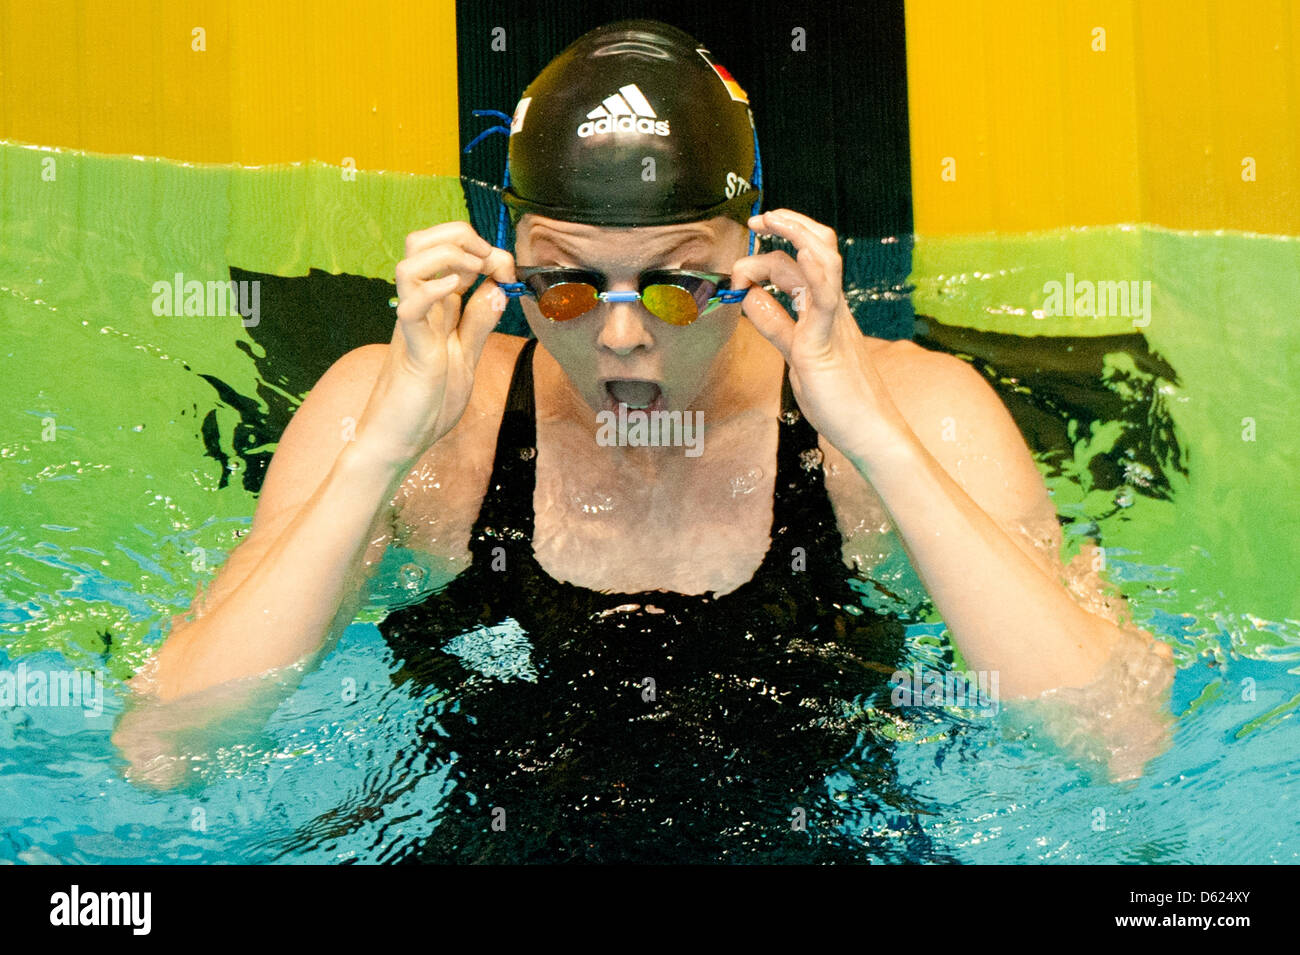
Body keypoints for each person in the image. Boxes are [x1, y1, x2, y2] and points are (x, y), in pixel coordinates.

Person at [114, 20, 1173, 859]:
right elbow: (167, 745)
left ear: (755, 252)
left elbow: (1116, 736)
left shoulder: (912, 414)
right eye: (566, 284)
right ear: (505, 256)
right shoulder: (408, 417)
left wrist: (879, 440)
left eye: (674, 286)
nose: (618, 335)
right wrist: (377, 456)